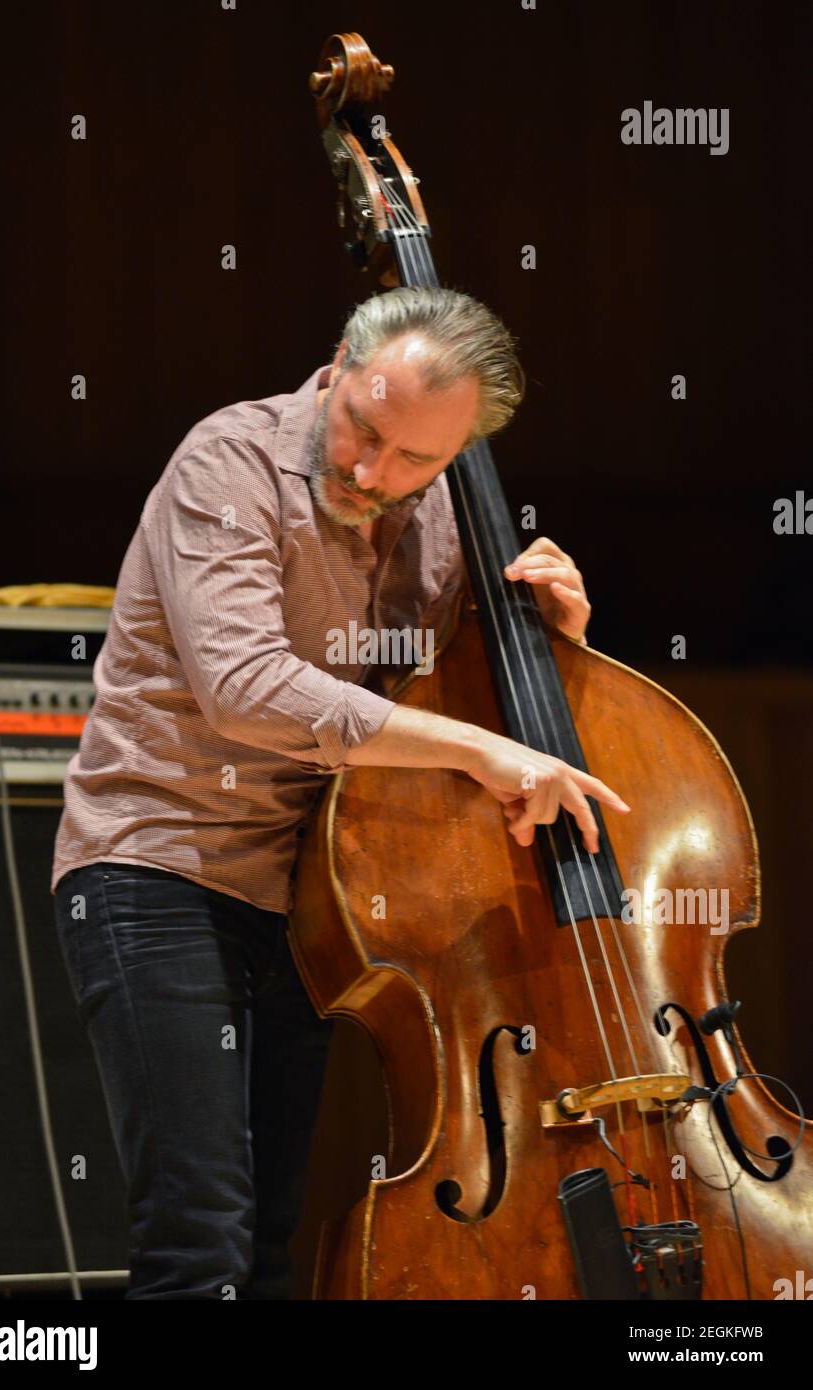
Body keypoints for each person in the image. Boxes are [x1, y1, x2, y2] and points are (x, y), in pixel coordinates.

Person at [51, 285, 629, 1300]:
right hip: (159, 866)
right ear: (336, 365)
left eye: (416, 458)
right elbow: (246, 690)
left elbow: (444, 690)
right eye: (364, 427)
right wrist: (484, 754)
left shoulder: (438, 511)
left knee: (268, 1248)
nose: (373, 473)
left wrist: (557, 643)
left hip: (311, 902)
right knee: (200, 1251)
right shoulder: (226, 463)